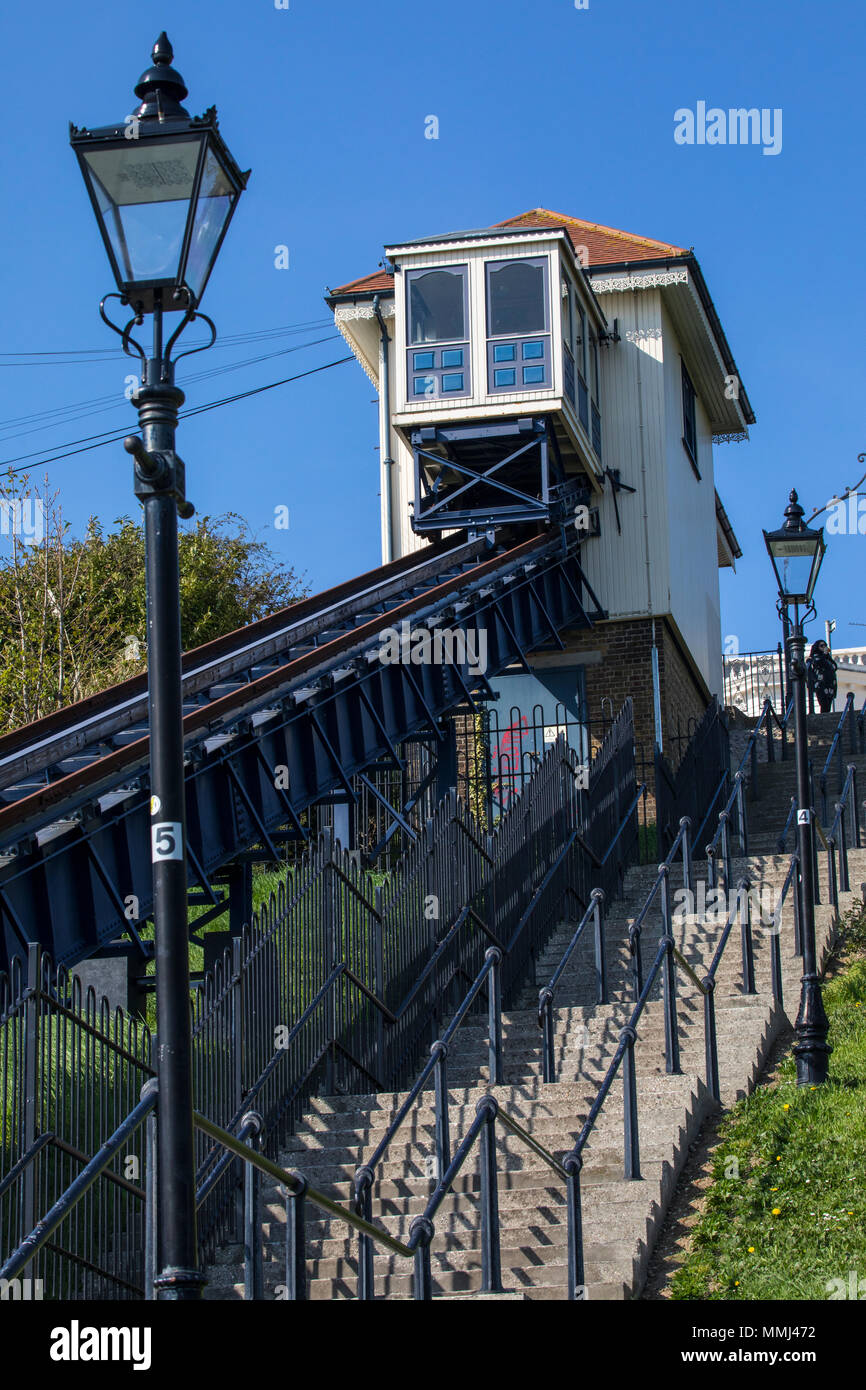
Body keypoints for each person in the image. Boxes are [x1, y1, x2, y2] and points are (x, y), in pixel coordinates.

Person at [806, 639, 837, 714]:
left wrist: (827, 656)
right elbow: (819, 662)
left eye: (825, 645)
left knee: (829, 702)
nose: (824, 647)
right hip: (821, 683)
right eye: (822, 646)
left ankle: (826, 713)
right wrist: (825, 654)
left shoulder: (827, 658)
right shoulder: (815, 657)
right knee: (823, 701)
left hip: (830, 683)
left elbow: (834, 666)